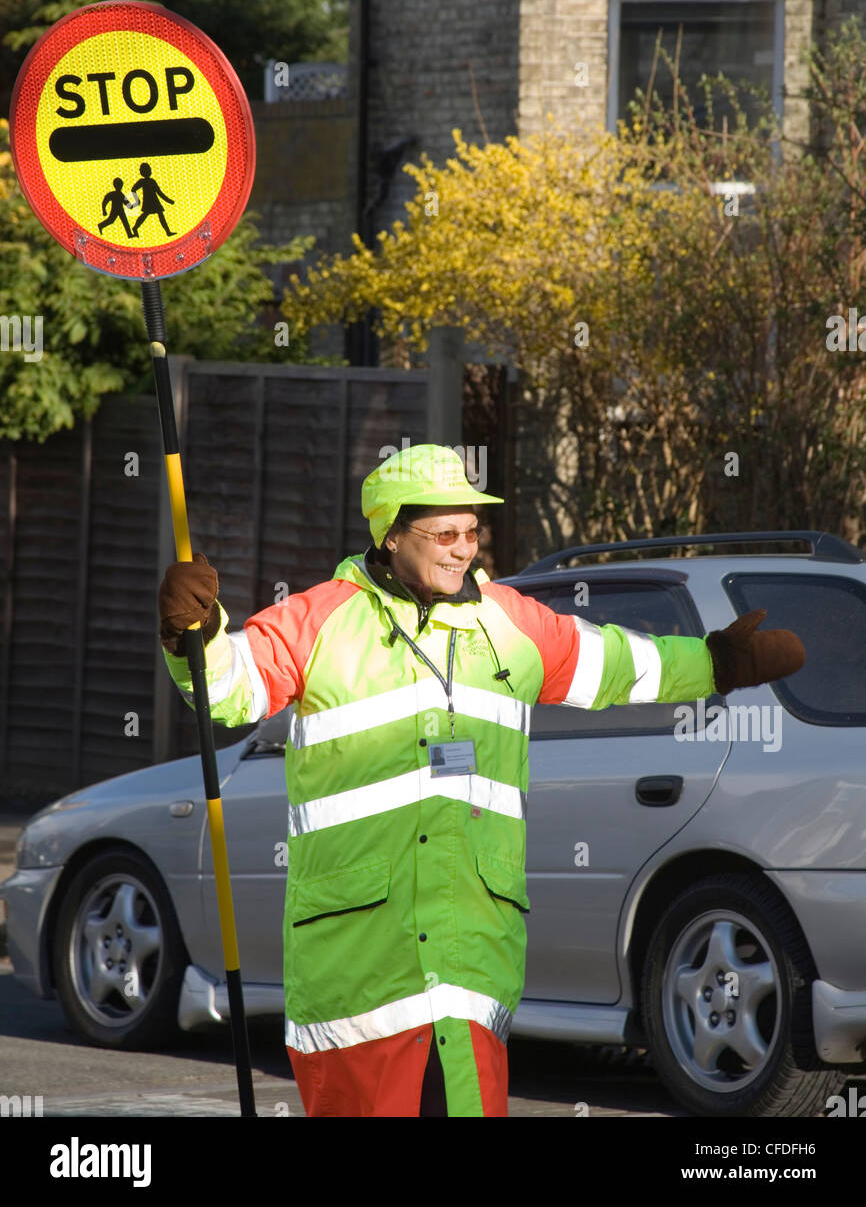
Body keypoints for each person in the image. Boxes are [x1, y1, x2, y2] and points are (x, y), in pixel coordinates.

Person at [157, 442, 805, 1118]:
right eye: (443, 534)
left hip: (472, 960)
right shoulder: (319, 620)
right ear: (391, 534)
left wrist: (715, 663)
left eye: (471, 532)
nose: (462, 548)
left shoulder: (511, 623)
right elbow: (233, 690)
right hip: (359, 965)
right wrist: (193, 638)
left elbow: (617, 664)